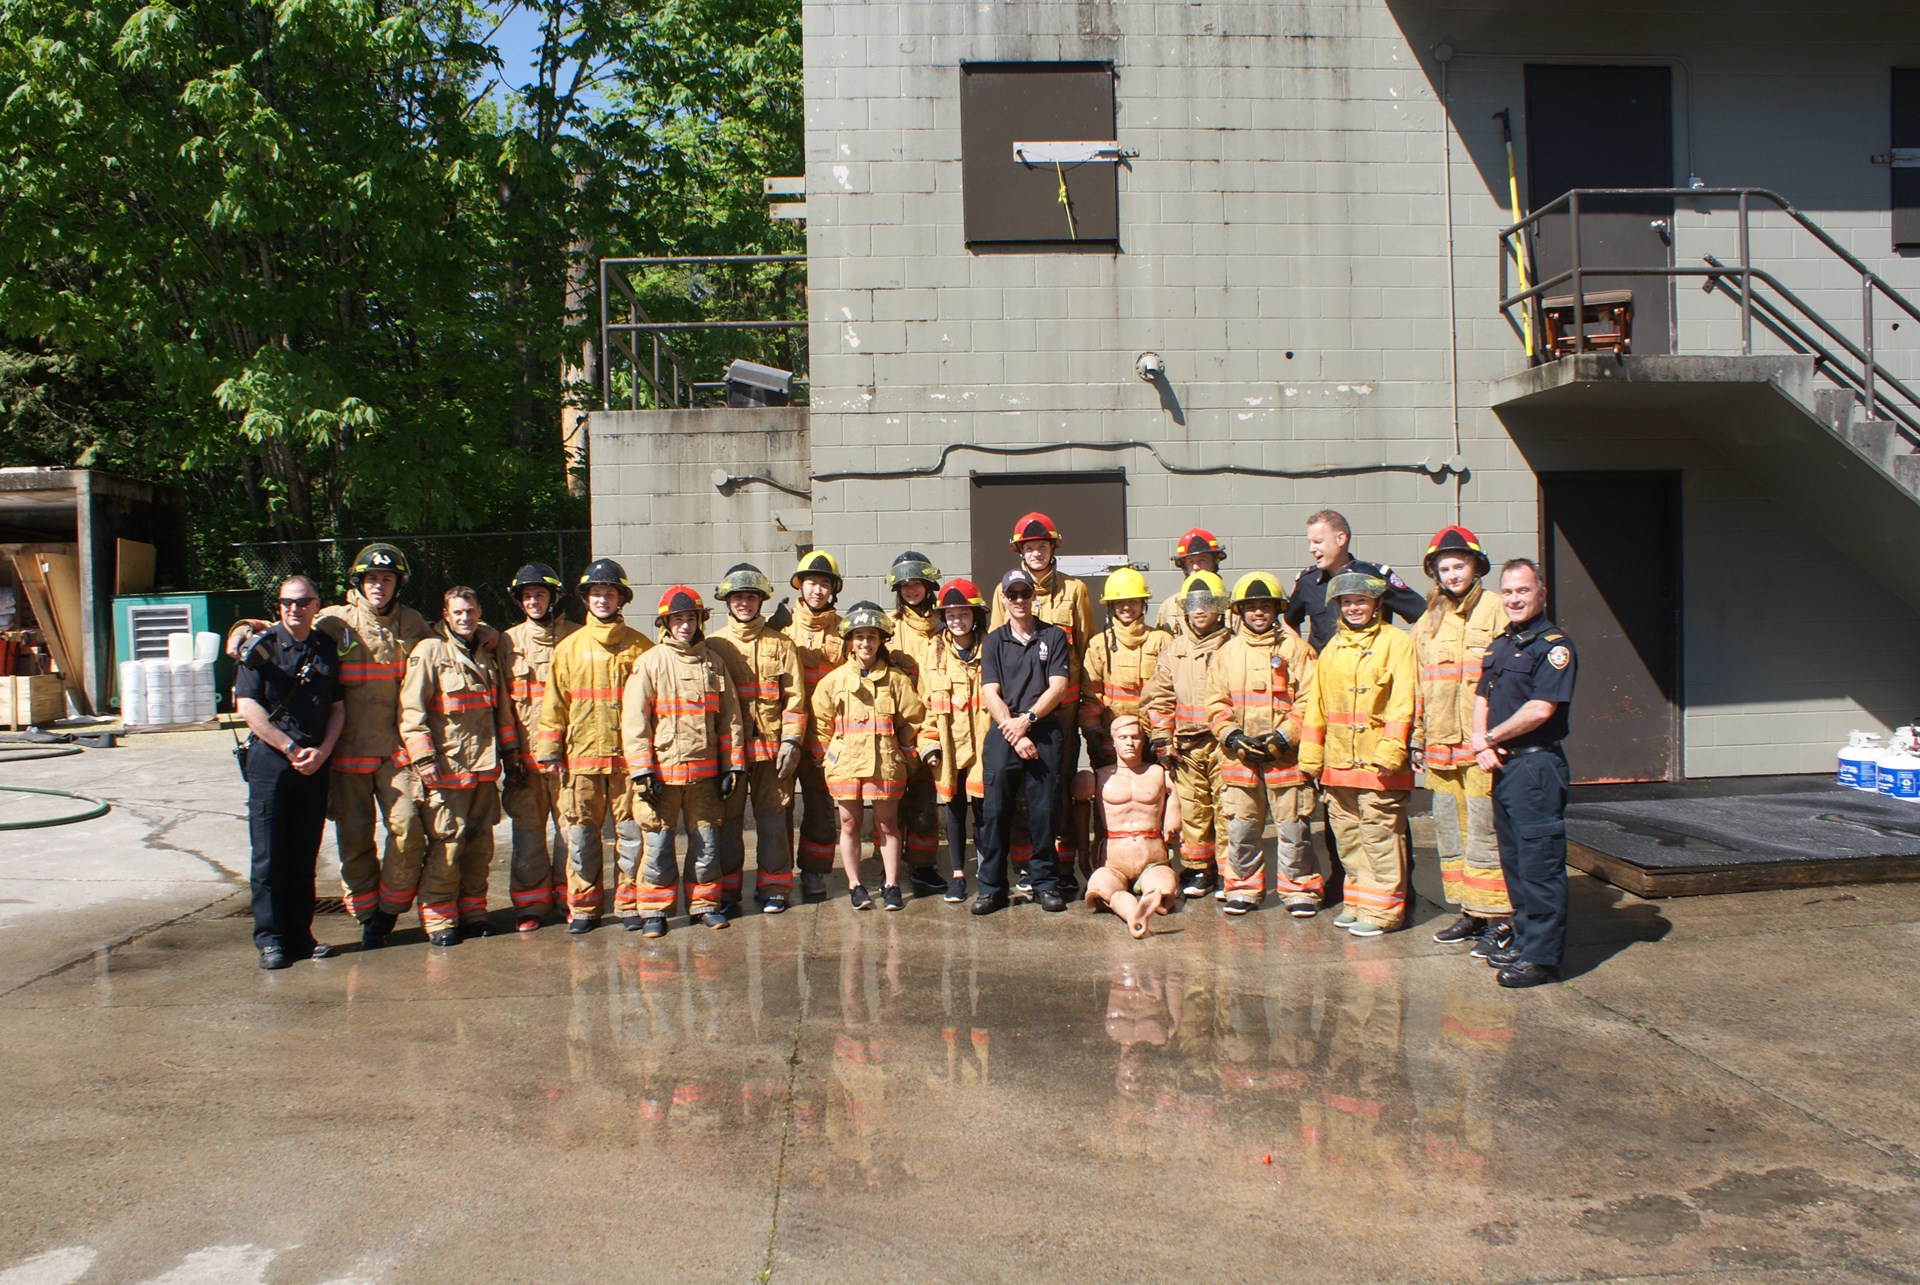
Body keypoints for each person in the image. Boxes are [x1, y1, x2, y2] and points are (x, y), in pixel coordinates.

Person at [312, 542, 432, 949]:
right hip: (347, 755)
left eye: (386, 578)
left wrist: (484, 633)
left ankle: (388, 909)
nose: (378, 585)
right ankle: (366, 915)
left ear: (398, 583)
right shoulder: (332, 621)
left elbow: (446, 651)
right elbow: (286, 627)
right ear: (358, 582)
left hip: (395, 755)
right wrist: (244, 627)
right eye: (371, 578)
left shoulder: (414, 624)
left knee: (409, 830)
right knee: (354, 838)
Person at [1472, 559, 1578, 988]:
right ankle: (1523, 936)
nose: (1515, 599)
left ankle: (1542, 958)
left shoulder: (1554, 647)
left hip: (1535, 765)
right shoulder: (1501, 645)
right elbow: (1481, 696)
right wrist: (1481, 742)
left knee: (1540, 864)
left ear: (1541, 593)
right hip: (1502, 764)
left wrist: (1489, 737)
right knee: (1514, 861)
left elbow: (1540, 709)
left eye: (1523, 590)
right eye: (1509, 592)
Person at [1296, 570, 1417, 937]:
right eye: (1346, 602)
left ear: (1377, 604)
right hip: (1337, 765)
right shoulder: (1331, 649)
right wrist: (1311, 758)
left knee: (1380, 837)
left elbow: (1404, 701)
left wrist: (1391, 750)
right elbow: (1316, 707)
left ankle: (1383, 913)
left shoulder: (1397, 643)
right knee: (1347, 838)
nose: (1353, 608)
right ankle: (1357, 901)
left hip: (1380, 764)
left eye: (1361, 601)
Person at [1410, 527, 1514, 952]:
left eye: (1460, 566)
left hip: (1480, 748)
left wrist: (1496, 738)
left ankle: (1500, 917)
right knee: (1450, 834)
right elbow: (1418, 685)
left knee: (1484, 832)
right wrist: (1417, 739)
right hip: (1439, 747)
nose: (1453, 574)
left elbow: (1512, 681)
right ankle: (1469, 912)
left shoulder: (1496, 612)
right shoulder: (1427, 621)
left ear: (1476, 567)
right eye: (1445, 568)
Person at [536, 558, 652, 933]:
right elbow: (554, 705)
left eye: (610, 593)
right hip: (581, 760)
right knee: (582, 835)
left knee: (632, 835)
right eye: (596, 593)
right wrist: (551, 751)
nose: (603, 599)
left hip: (628, 762)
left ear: (622, 599)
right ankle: (584, 908)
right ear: (586, 599)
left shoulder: (641, 647)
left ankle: (629, 903)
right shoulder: (568, 649)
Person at [397, 586, 517, 946]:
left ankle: (474, 913)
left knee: (480, 845)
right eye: (458, 612)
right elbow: (411, 712)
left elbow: (501, 712)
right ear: (446, 615)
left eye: (470, 610)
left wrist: (509, 754)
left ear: (479, 611)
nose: (465, 617)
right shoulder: (430, 653)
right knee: (448, 843)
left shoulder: (485, 654)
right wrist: (423, 758)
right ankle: (438, 918)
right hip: (447, 769)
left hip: (483, 769)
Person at [623, 585, 746, 937]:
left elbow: (730, 719)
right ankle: (655, 912)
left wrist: (733, 764)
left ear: (699, 621)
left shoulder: (713, 662)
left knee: (706, 844)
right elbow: (635, 721)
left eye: (690, 618)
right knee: (658, 847)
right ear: (666, 623)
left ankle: (705, 904)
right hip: (661, 777)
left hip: (704, 777)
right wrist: (642, 772)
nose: (684, 626)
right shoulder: (650, 662)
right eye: (678, 619)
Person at [235, 575, 344, 970]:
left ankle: (301, 935)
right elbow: (247, 706)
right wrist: (291, 747)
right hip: (272, 763)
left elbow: (336, 707)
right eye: (286, 603)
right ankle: (269, 940)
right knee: (268, 857)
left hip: (315, 763)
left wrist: (323, 751)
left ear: (317, 606)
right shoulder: (260, 647)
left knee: (303, 854)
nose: (293, 609)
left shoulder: (326, 647)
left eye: (301, 602)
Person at [1205, 571, 1321, 917]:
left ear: (1277, 610)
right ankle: (1242, 888)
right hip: (1239, 759)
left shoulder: (1298, 651)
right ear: (1239, 612)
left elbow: (1310, 700)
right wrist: (1232, 736)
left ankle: (1300, 890)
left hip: (1286, 758)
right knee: (1240, 826)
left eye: (1265, 607)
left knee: (1294, 828)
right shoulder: (1226, 654)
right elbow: (1215, 702)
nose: (1258, 613)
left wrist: (1286, 735)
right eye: (1251, 607)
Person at [988, 512, 1096, 880]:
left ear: (1053, 548)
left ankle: (1059, 863)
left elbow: (1085, 649)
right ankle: (1025, 864)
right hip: (1016, 713)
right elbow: (997, 649)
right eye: (1029, 547)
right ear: (1020, 551)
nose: (1036, 552)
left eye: (1042, 546)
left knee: (1057, 785)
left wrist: (1085, 708)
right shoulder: (1003, 591)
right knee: (1019, 787)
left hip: (1060, 712)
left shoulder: (1075, 591)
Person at [809, 602, 925, 911]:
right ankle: (855, 885)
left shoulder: (897, 681)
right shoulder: (832, 682)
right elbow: (820, 724)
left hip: (885, 763)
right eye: (859, 636)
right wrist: (828, 758)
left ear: (882, 639)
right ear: (849, 640)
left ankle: (891, 884)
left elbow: (913, 718)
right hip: (845, 765)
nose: (865, 643)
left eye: (872, 636)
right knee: (849, 824)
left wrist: (903, 750)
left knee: (887, 825)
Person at [706, 564, 806, 915]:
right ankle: (729, 892)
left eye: (751, 597)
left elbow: (794, 698)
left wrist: (792, 742)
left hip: (772, 750)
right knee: (729, 822)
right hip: (729, 753)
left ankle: (775, 887)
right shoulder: (713, 645)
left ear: (761, 600)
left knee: (774, 819)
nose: (744, 603)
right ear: (727, 601)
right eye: (738, 597)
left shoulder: (781, 644)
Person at [974, 567, 1072, 915]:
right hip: (1004, 732)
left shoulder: (1054, 637)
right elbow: (990, 692)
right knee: (996, 811)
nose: (1019, 600)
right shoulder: (992, 641)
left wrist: (1028, 720)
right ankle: (991, 888)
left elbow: (1058, 686)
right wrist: (1015, 732)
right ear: (1002, 598)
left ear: (1034, 597)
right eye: (1012, 594)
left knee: (1044, 812)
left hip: (1042, 729)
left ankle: (1046, 884)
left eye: (1024, 593)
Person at [1139, 571, 1232, 898]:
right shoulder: (1174, 650)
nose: (1200, 610)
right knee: (1194, 810)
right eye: (1194, 604)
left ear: (1221, 607)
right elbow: (1158, 696)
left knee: (1228, 809)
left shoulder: (1233, 647)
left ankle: (1227, 872)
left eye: (1208, 603)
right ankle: (1198, 870)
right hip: (1187, 748)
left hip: (1224, 746)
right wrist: (1162, 737)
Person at [499, 563, 579, 932]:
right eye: (527, 596)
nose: (533, 601)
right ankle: (530, 905)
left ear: (553, 597)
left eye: (540, 594)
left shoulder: (576, 639)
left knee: (570, 833)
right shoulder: (505, 643)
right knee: (528, 834)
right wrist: (509, 754)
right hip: (525, 760)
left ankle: (570, 898)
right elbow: (500, 703)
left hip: (569, 759)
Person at [917, 578, 991, 903]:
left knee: (986, 812)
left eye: (963, 614)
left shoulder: (992, 649)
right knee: (955, 811)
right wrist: (929, 744)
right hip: (950, 748)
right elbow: (924, 707)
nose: (957, 620)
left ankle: (987, 876)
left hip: (986, 747)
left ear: (976, 616)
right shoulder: (932, 653)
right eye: (950, 614)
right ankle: (958, 876)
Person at [779, 550, 846, 899]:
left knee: (820, 806)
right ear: (799, 586)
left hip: (825, 736)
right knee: (779, 806)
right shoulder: (781, 628)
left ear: (833, 589)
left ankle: (815, 872)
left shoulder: (845, 631)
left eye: (824, 584)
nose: (817, 590)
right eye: (811, 583)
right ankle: (777, 875)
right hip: (786, 733)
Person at [1078, 715, 1179, 938]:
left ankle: (1150, 900)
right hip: (1114, 862)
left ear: (1143, 742)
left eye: (1135, 737)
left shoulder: (1158, 774)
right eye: (1123, 737)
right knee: (1103, 886)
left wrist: (1174, 813)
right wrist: (1083, 853)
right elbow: (1081, 810)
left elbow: (1177, 794)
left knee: (1164, 885)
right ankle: (1134, 914)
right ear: (1113, 742)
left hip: (1153, 859)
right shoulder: (1100, 777)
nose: (1129, 743)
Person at [885, 550, 946, 894]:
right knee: (890, 803)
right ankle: (890, 869)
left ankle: (923, 867)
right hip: (895, 728)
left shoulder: (944, 625)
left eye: (916, 583)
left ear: (928, 584)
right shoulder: (889, 628)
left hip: (933, 724)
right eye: (904, 585)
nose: (910, 590)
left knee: (924, 802)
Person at [1284, 510, 1427, 653]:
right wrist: (1302, 657)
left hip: (1371, 669)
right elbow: (1288, 622)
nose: (1311, 549)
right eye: (1310, 542)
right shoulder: (1307, 582)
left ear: (1340, 539)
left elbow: (1422, 614)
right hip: (1325, 670)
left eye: (1318, 542)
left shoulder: (1375, 577)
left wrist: (1407, 651)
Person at [1079, 567, 1172, 769]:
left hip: (1152, 736)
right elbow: (1091, 696)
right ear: (1111, 606)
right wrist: (1092, 733)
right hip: (1111, 737)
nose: (1127, 607)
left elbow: (1169, 694)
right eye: (1120, 602)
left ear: (1143, 604)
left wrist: (1162, 735)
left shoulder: (1161, 641)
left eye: (1133, 601)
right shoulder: (1099, 644)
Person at [1155, 528, 1234, 638]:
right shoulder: (1169, 607)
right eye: (1191, 561)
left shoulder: (1230, 605)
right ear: (1184, 567)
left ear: (1215, 562)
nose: (1196, 567)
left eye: (1202, 560)